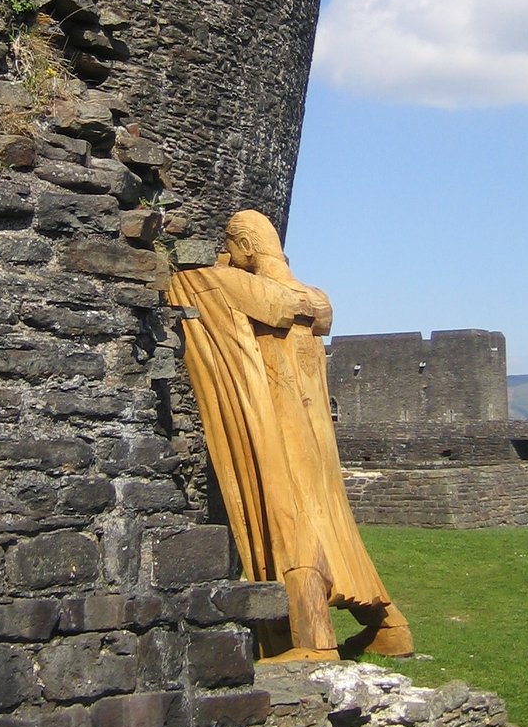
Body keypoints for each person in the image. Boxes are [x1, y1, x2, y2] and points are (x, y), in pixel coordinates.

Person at [167, 209, 413, 661]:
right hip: (317, 434)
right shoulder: (316, 299)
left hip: (279, 428)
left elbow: (190, 284)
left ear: (245, 246)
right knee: (335, 523)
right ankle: (389, 628)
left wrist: (220, 268)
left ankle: (313, 641)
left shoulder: (234, 286)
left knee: (292, 520)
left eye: (231, 245)